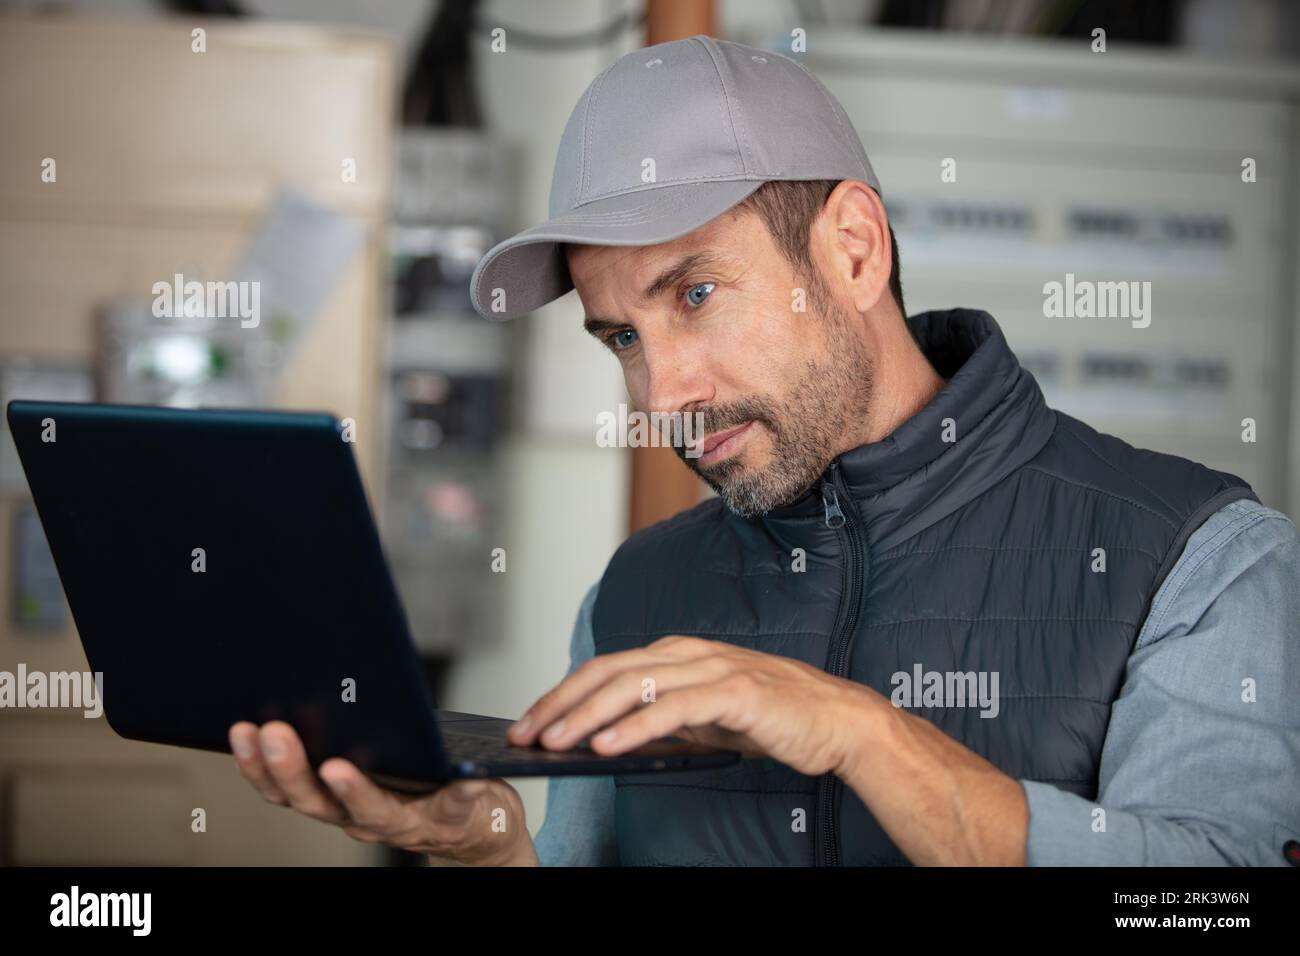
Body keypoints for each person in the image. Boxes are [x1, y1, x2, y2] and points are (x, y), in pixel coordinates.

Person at [229, 35, 1300, 867]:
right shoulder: (634, 594)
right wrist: (493, 845)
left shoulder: (1197, 560)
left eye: (693, 295)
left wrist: (857, 733)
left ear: (851, 248)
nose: (662, 395)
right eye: (621, 338)